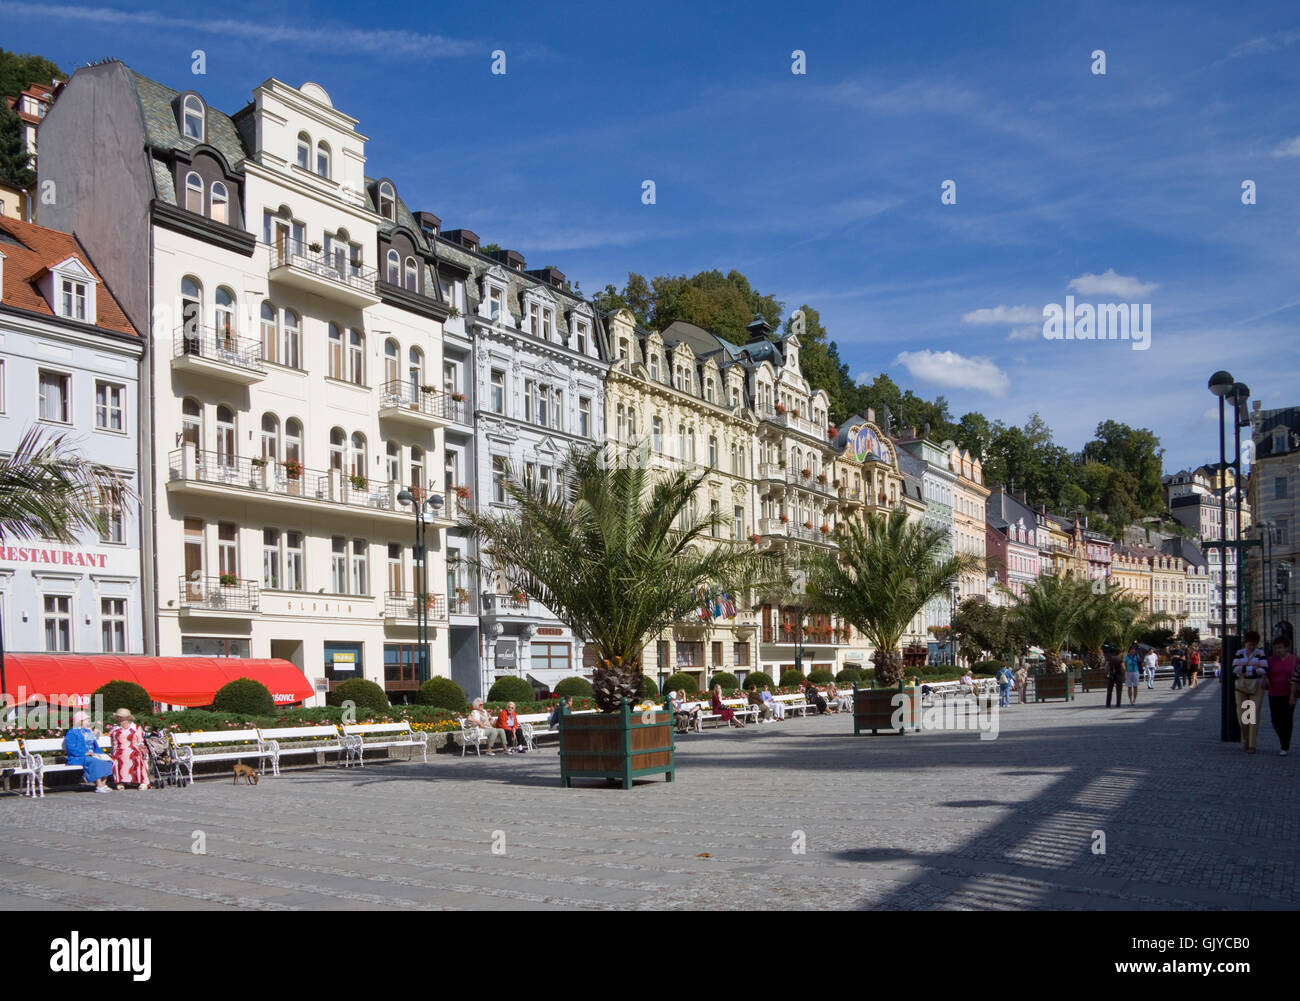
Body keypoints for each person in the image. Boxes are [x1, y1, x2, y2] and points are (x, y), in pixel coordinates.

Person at [1232, 630, 1270, 755]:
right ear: (1246, 643)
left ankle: (1252, 745)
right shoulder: (1239, 653)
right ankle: (1246, 738)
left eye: (1253, 644)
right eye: (1249, 644)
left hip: (1256, 687)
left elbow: (1264, 669)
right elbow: (1234, 668)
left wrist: (1244, 669)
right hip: (1241, 687)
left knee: (1252, 715)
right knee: (1242, 715)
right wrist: (1252, 669)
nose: (1251, 646)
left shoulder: (1260, 653)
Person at [62, 712, 113, 792]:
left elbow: (94, 745)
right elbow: (71, 748)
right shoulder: (71, 732)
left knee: (107, 760)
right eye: (87, 720)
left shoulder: (87, 732)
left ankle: (103, 784)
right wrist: (84, 753)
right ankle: (99, 785)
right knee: (94, 762)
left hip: (91, 755)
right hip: (77, 757)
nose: (89, 722)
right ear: (80, 721)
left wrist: (99, 753)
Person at [1267, 635, 1297, 756]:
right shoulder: (1271, 660)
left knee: (1287, 720)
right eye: (1276, 648)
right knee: (1275, 720)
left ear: (1287, 647)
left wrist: (1293, 695)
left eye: (1280, 647)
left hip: (1289, 694)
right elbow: (1266, 674)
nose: (1278, 650)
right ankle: (1283, 739)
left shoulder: (1295, 660)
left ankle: (1285, 745)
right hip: (1274, 693)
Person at [107, 708, 150, 790]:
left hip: (133, 747)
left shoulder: (136, 728)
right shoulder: (115, 729)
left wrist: (141, 747)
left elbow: (140, 741)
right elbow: (114, 743)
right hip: (119, 749)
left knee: (136, 756)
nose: (121, 720)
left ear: (127, 718)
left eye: (123, 718)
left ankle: (143, 781)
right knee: (118, 757)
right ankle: (120, 781)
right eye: (119, 718)